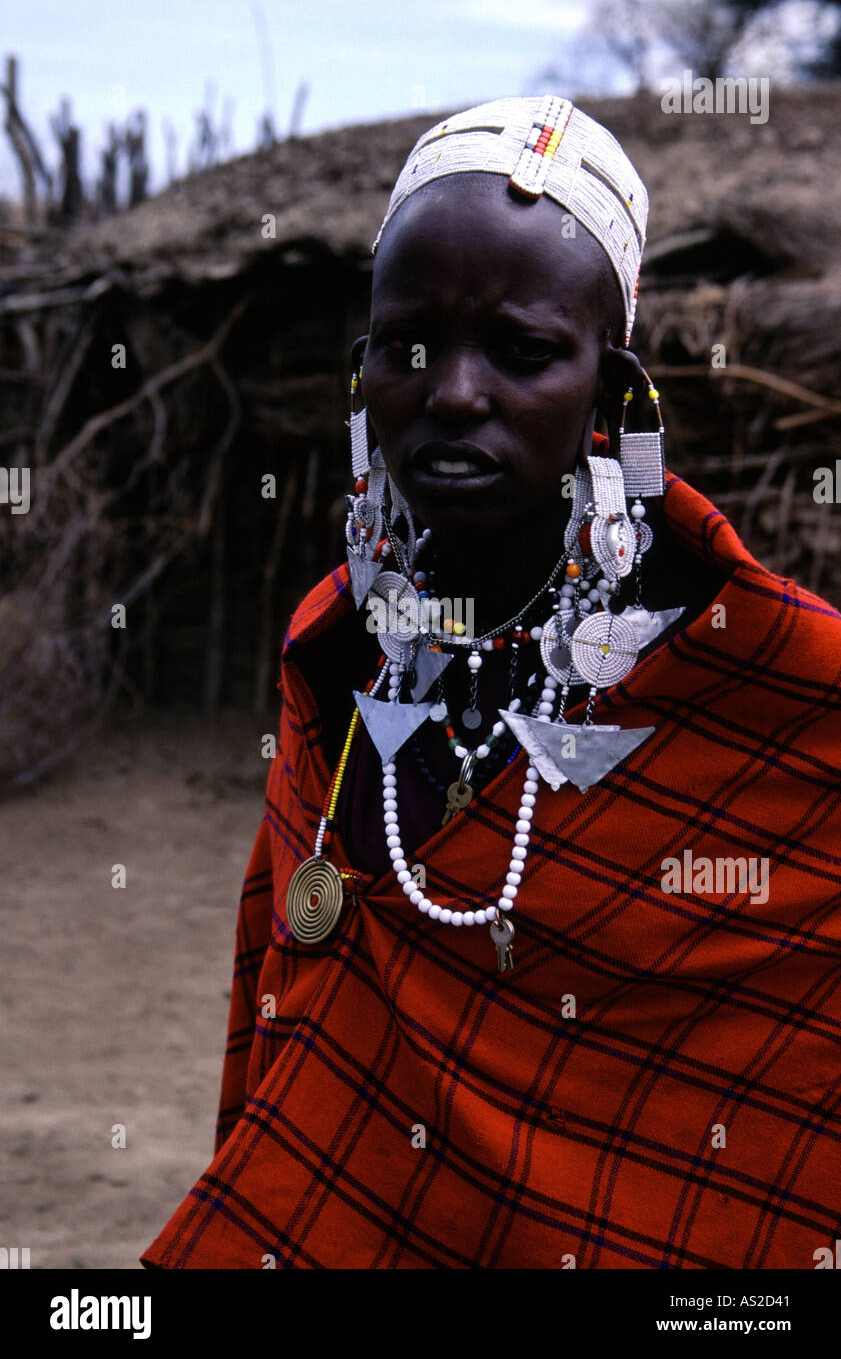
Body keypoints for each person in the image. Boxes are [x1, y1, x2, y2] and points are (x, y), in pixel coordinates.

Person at [141, 97, 841, 1270]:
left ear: (612, 390)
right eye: (409, 347)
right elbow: (302, 1022)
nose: (454, 392)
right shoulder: (334, 650)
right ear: (366, 371)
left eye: (520, 352)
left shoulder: (765, 669)